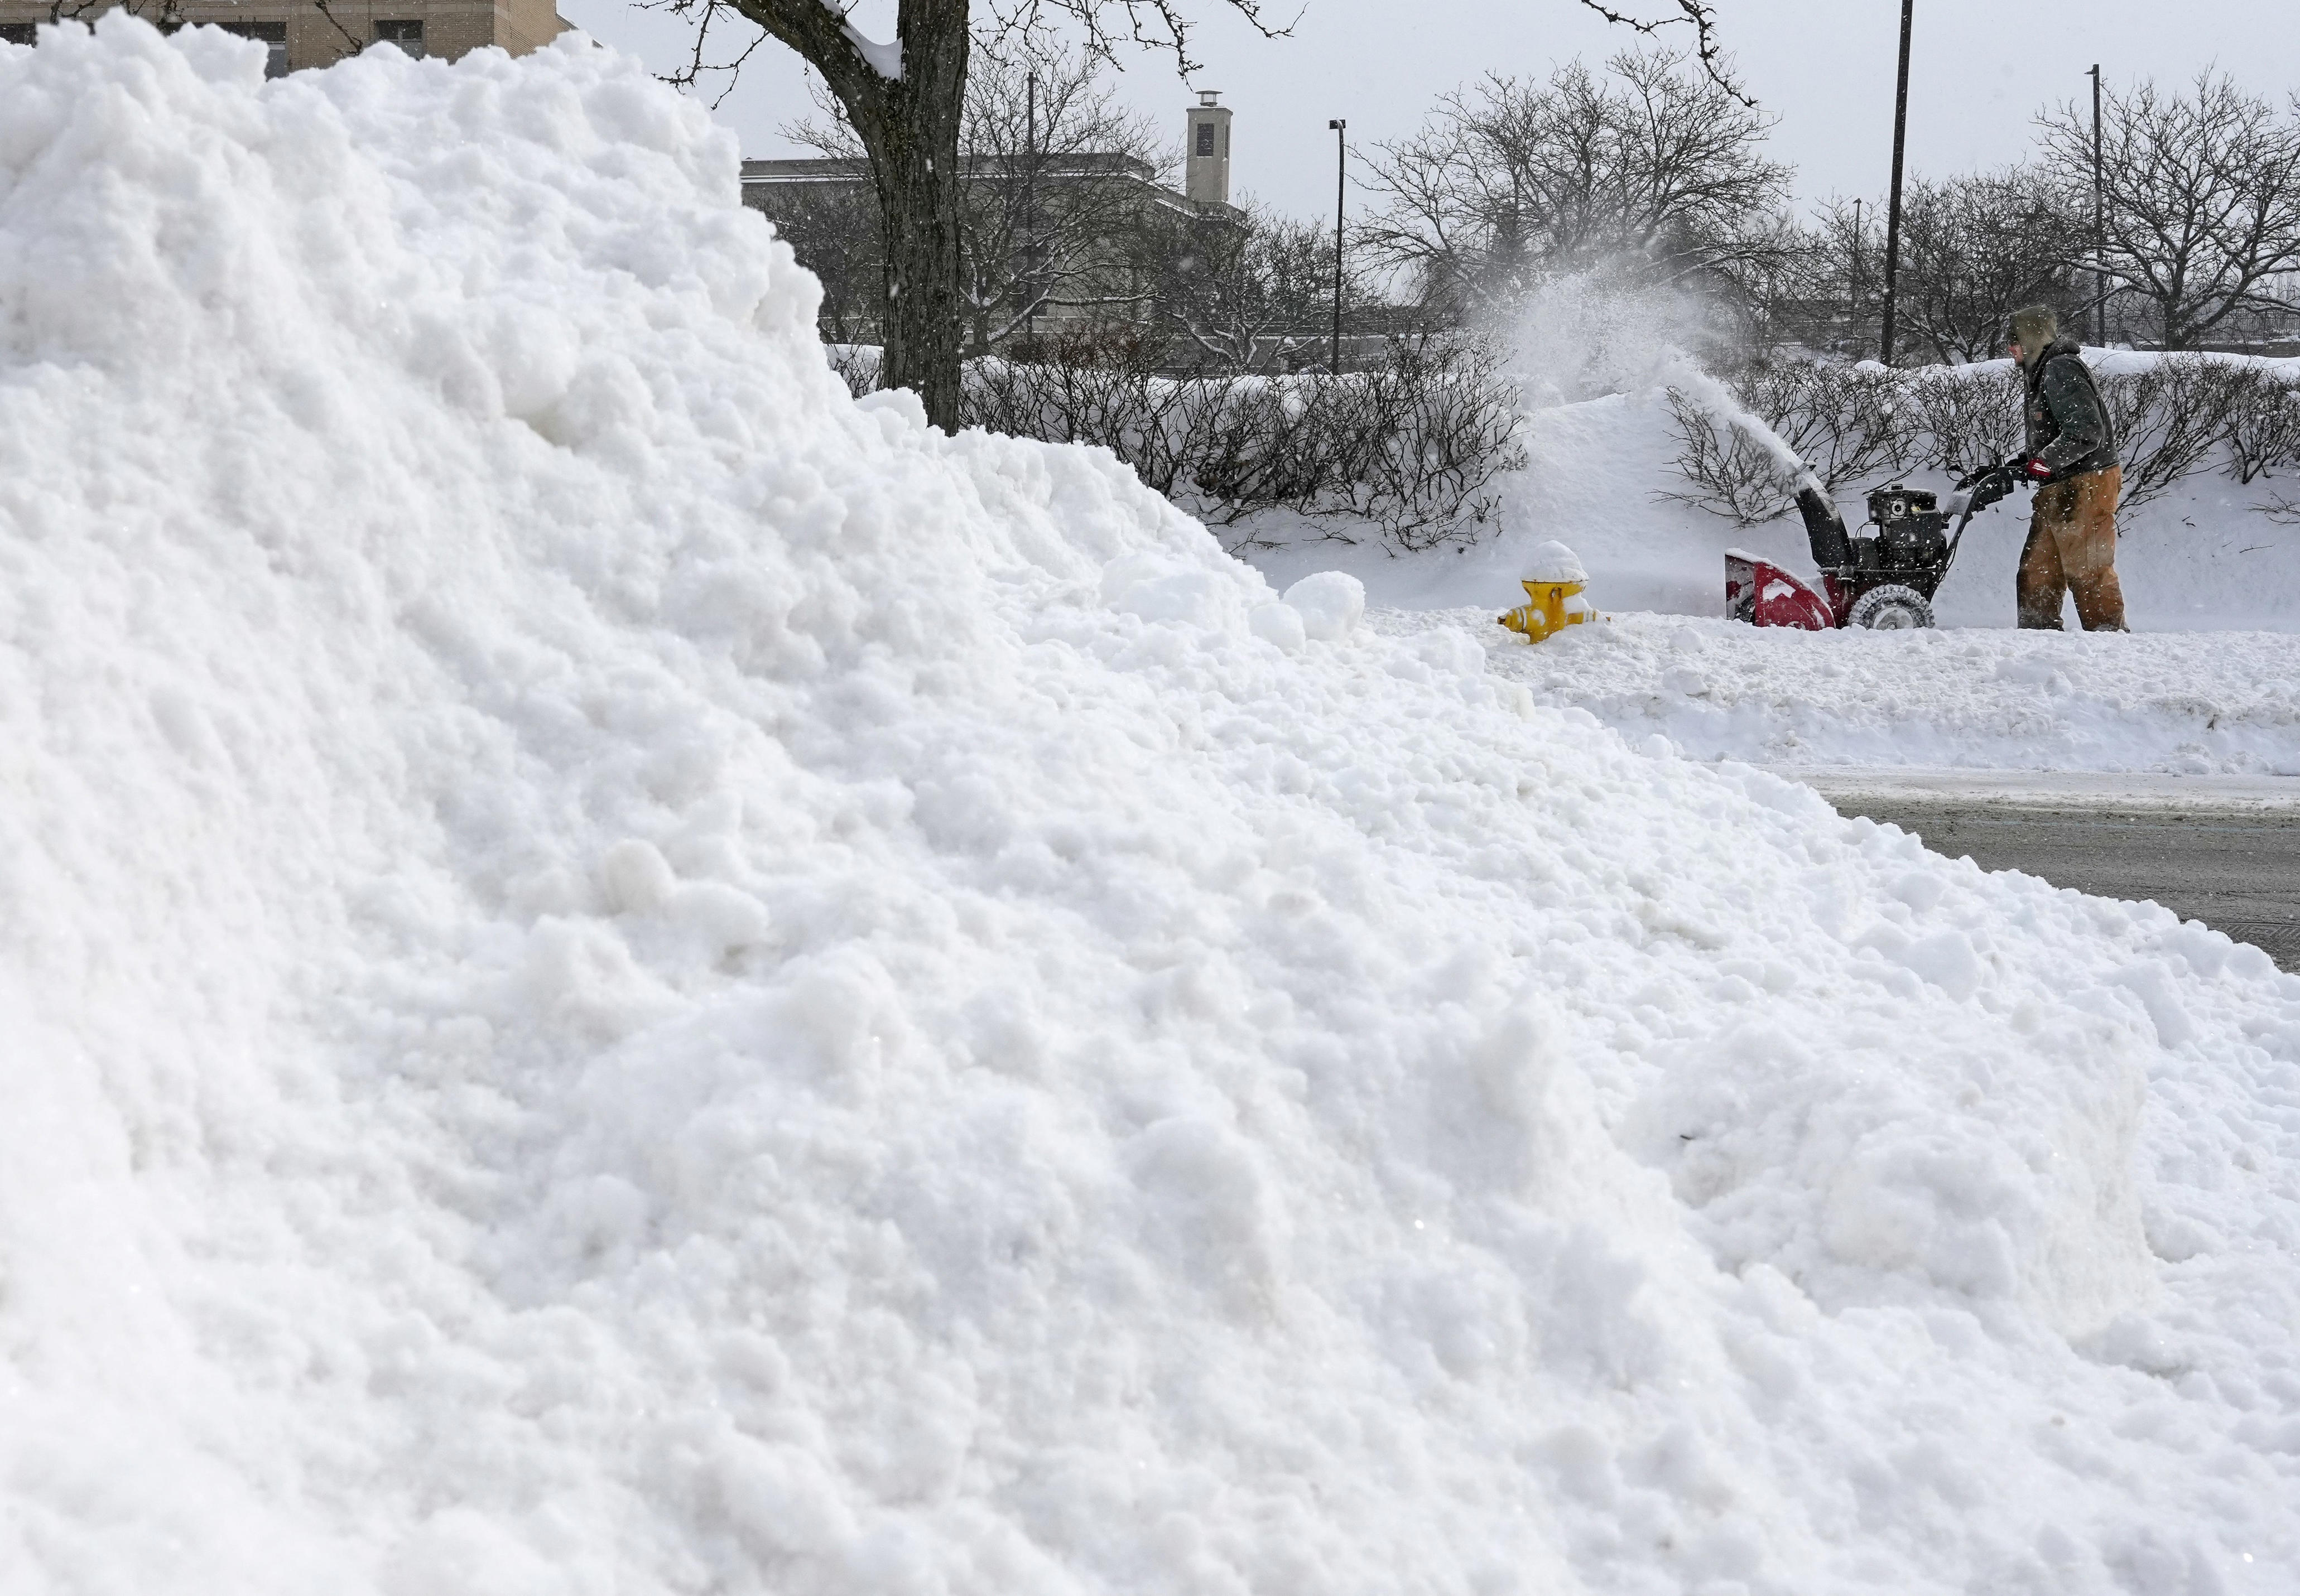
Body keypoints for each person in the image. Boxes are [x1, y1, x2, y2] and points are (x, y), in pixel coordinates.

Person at [2007, 304, 2126, 631]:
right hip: (2061, 484)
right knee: (2037, 569)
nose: (2010, 348)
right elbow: (2057, 430)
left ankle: (2108, 637)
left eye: (2015, 340)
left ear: (2031, 338)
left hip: (2086, 482)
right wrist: (2028, 461)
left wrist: (2044, 462)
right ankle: (2038, 634)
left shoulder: (2061, 368)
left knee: (2089, 567)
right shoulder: (2043, 370)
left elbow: (2087, 431)